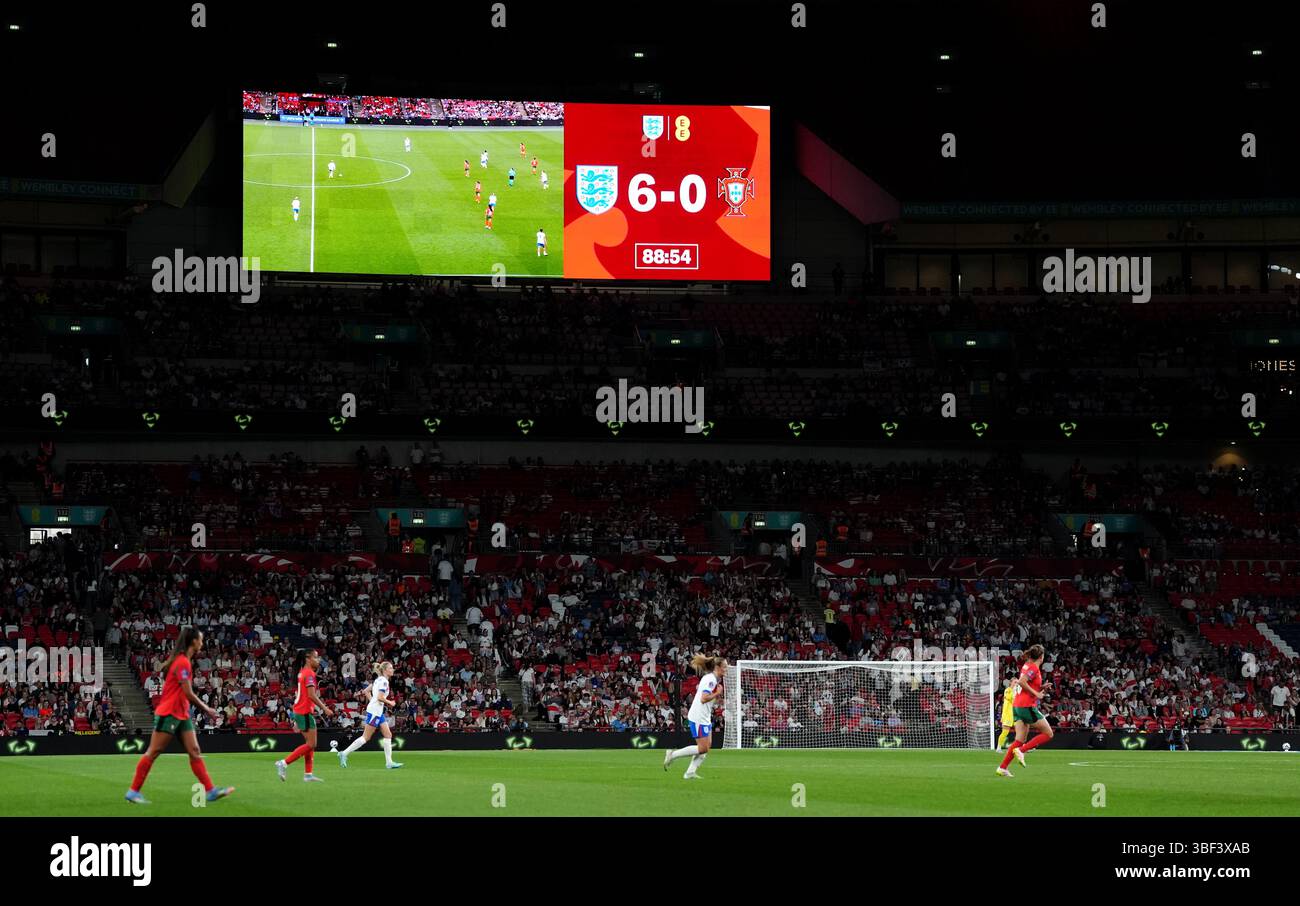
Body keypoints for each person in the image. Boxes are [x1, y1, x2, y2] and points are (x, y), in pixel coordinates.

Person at [125, 627, 234, 804]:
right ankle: (133, 791)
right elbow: (188, 692)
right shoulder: (182, 662)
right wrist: (207, 709)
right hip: (168, 713)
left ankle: (211, 791)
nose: (202, 642)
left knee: (194, 751)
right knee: (153, 752)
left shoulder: (184, 661)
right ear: (193, 642)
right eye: (200, 639)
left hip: (181, 713)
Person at [662, 654, 727, 779]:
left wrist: (717, 697)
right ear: (718, 667)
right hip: (698, 716)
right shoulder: (711, 679)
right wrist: (717, 693)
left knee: (706, 747)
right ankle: (673, 755)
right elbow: (703, 699)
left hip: (704, 716)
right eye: (724, 667)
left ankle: (690, 772)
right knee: (703, 748)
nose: (726, 669)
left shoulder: (712, 679)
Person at [277, 649, 334, 783]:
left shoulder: (302, 672)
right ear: (308, 658)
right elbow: (311, 695)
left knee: (310, 744)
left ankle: (308, 774)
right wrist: (325, 708)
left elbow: (301, 694)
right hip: (304, 712)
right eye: (316, 657)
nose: (318, 660)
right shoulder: (309, 674)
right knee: (312, 743)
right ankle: (284, 763)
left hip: (300, 711)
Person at [997, 644, 1054, 777]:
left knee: (1019, 739)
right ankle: (1021, 751)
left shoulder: (1027, 665)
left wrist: (1042, 687)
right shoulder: (1033, 667)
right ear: (1041, 656)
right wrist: (1038, 693)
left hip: (1017, 706)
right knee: (1048, 733)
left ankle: (1003, 767)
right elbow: (1022, 682)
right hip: (1026, 706)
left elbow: (1028, 683)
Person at [335, 661, 403, 769]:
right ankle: (344, 753)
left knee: (388, 735)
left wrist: (372, 701)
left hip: (377, 711)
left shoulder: (378, 680)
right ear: (385, 670)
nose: (392, 669)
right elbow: (380, 697)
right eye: (390, 668)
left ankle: (389, 762)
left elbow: (366, 691)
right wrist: (391, 703)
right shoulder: (384, 682)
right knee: (365, 737)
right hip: (375, 712)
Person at [997, 674, 1019, 749]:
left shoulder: (1018, 692)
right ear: (1011, 683)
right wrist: (1014, 692)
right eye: (1015, 682)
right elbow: (1010, 698)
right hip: (1007, 715)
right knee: (1005, 732)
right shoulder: (1007, 690)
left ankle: (1020, 747)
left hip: (1015, 714)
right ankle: (999, 747)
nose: (1016, 684)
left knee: (1020, 731)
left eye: (1017, 682)